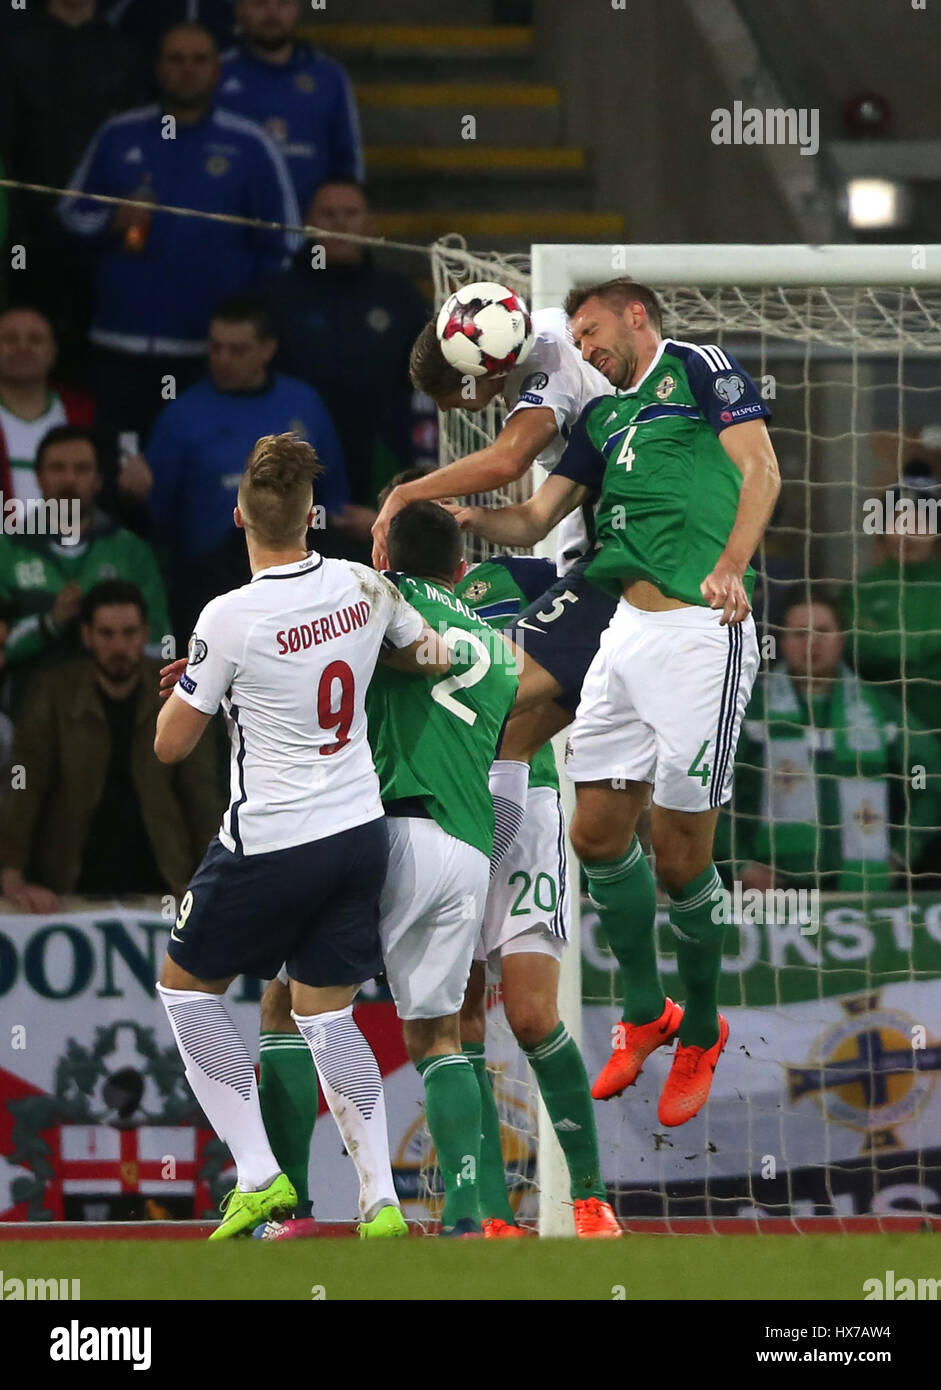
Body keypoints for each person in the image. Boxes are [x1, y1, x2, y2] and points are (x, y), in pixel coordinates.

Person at [457, 277, 781, 1126]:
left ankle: (703, 1028)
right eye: (579, 339)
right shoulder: (600, 420)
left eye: (594, 331)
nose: (587, 349)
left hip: (700, 633)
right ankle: (646, 1015)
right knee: (594, 834)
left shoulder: (700, 367)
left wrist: (733, 566)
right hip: (622, 636)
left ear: (635, 315)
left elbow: (761, 468)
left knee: (679, 860)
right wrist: (450, 511)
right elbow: (531, 521)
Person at [152, 433, 450, 1239]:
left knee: (184, 991)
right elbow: (429, 656)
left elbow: (170, 745)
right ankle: (383, 1204)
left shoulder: (228, 616)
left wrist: (196, 677)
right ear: (313, 517)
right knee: (327, 1017)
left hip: (272, 840)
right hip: (358, 829)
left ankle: (258, 1176)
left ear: (240, 514)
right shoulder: (359, 584)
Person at [255, 500, 519, 1238]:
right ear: (461, 571)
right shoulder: (497, 647)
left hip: (376, 834)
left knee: (289, 1007)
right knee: (438, 1037)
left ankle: (290, 1210)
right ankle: (465, 1217)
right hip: (464, 848)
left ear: (384, 563)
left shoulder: (374, 607)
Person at [372, 301, 619, 886]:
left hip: (610, 572)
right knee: (521, 745)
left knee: (488, 692)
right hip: (593, 565)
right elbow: (533, 518)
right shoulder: (544, 335)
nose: (453, 411)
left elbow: (509, 460)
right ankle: (479, 876)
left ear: (472, 373)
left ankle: (465, 873)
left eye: (450, 397)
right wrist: (474, 519)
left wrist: (405, 496)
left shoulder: (545, 374)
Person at [452, 540, 621, 1239]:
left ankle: (588, 1197)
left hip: (530, 803)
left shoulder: (523, 575)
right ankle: (490, 1214)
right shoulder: (386, 609)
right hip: (442, 806)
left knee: (528, 1015)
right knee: (454, 1015)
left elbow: (593, 613)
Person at [57, 21, 301, 443]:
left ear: (216, 70)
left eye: (199, 59)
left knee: (196, 472)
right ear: (158, 68)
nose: (187, 69)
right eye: (176, 59)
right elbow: (67, 212)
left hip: (206, 357)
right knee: (119, 473)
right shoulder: (119, 134)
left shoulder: (250, 145)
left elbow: (287, 241)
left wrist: (239, 315)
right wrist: (110, 220)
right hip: (119, 346)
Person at [119, 294, 353, 640]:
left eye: (237, 350)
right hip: (210, 583)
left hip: (299, 582)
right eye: (215, 347)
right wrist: (132, 495)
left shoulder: (304, 402)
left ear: (268, 349)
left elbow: (332, 492)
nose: (222, 359)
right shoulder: (180, 416)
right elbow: (160, 519)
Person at [0, 579, 222, 912]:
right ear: (87, 635)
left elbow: (200, 790)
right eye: (107, 634)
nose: (119, 646)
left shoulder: (175, 696)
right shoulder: (53, 693)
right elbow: (27, 784)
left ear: (145, 633)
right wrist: (12, 873)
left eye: (129, 633)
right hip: (71, 878)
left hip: (163, 874)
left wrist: (212, 874)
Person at [715, 587, 941, 893]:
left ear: (841, 638)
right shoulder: (750, 710)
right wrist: (738, 863)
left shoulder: (880, 709)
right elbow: (707, 788)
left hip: (865, 886)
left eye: (823, 631)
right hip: (771, 889)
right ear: (780, 641)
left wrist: (902, 852)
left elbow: (930, 778)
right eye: (798, 634)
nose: (812, 644)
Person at [264, 178, 428, 513]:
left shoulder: (400, 298)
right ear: (307, 223)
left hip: (380, 457)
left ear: (370, 224)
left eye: (350, 213)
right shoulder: (275, 297)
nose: (339, 223)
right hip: (294, 454)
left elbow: (423, 386)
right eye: (328, 213)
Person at [0, 0, 146, 373]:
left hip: (105, 232)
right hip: (28, 232)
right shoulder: (14, 46)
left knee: (96, 357)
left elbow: (141, 140)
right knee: (29, 346)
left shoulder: (125, 49)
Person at [0, 426, 170, 702]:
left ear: (98, 480)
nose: (69, 479)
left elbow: (159, 646)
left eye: (81, 469)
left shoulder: (132, 551)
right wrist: (50, 622)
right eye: (57, 468)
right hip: (28, 716)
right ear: (38, 477)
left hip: (120, 713)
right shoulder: (6, 550)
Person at [219, 0, 363, 211]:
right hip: (235, 224)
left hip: (312, 228)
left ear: (299, 8)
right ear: (240, 9)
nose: (272, 12)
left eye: (283, 3)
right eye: (260, 3)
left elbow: (348, 164)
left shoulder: (330, 76)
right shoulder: (216, 73)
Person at [846, 464, 941, 734]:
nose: (908, 534)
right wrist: (922, 649)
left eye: (920, 523)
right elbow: (856, 648)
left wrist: (888, 644)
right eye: (898, 521)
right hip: (876, 722)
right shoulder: (862, 589)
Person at [0, 308, 95, 502]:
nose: (23, 347)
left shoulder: (86, 414)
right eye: (10, 340)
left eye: (35, 339)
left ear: (53, 350)